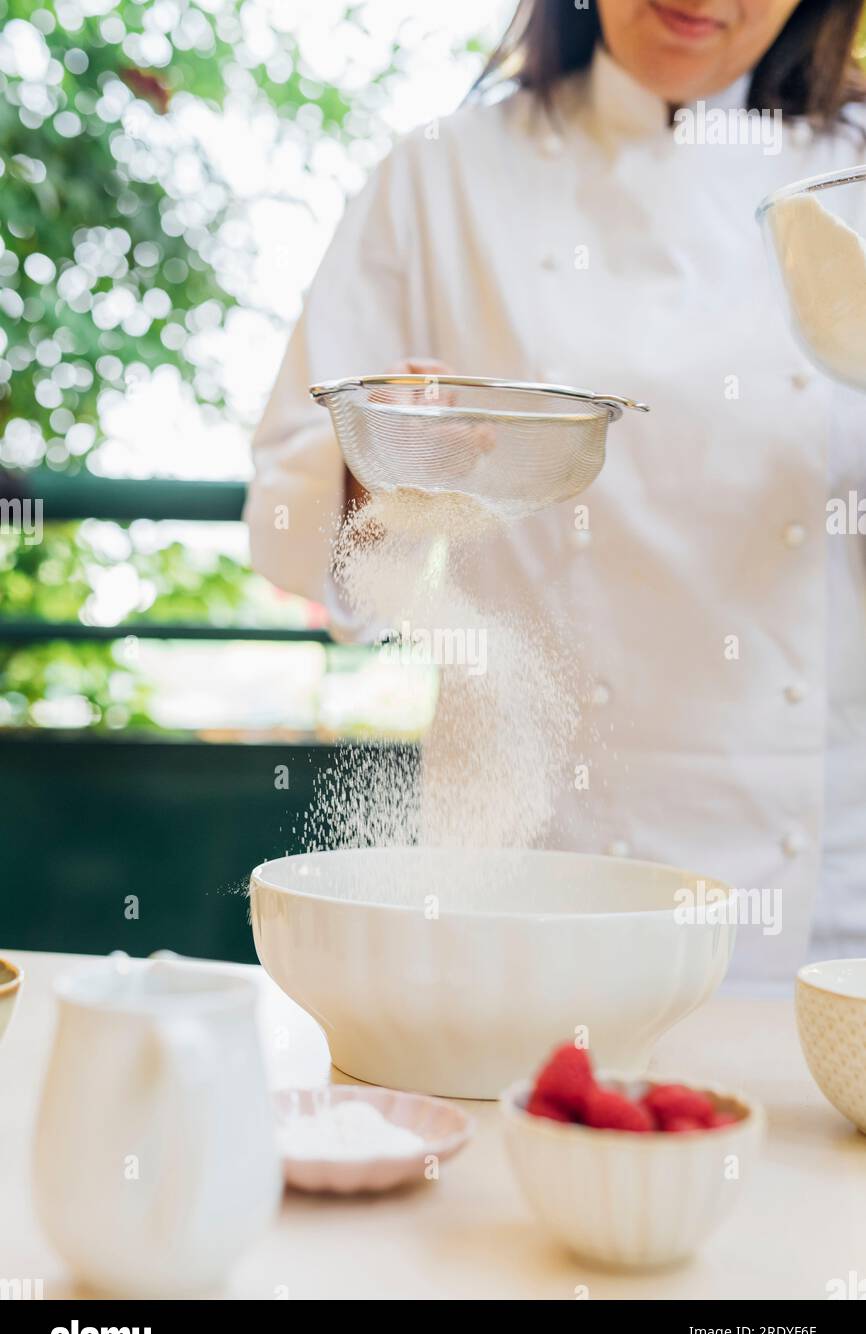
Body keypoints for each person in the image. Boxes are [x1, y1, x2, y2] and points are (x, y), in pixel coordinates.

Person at [245, 0, 866, 985]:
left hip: (820, 904)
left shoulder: (851, 179)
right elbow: (286, 531)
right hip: (523, 864)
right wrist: (385, 460)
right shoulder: (441, 174)